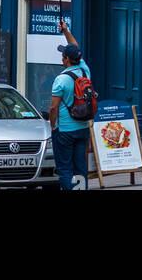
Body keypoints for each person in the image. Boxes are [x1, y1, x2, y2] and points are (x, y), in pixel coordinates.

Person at [49, 20, 91, 191]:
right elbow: (75, 46)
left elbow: (53, 108)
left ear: (65, 59)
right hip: (83, 128)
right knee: (80, 168)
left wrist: (53, 127)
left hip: (65, 131)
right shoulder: (84, 71)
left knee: (65, 169)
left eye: (63, 55)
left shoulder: (61, 80)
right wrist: (66, 31)